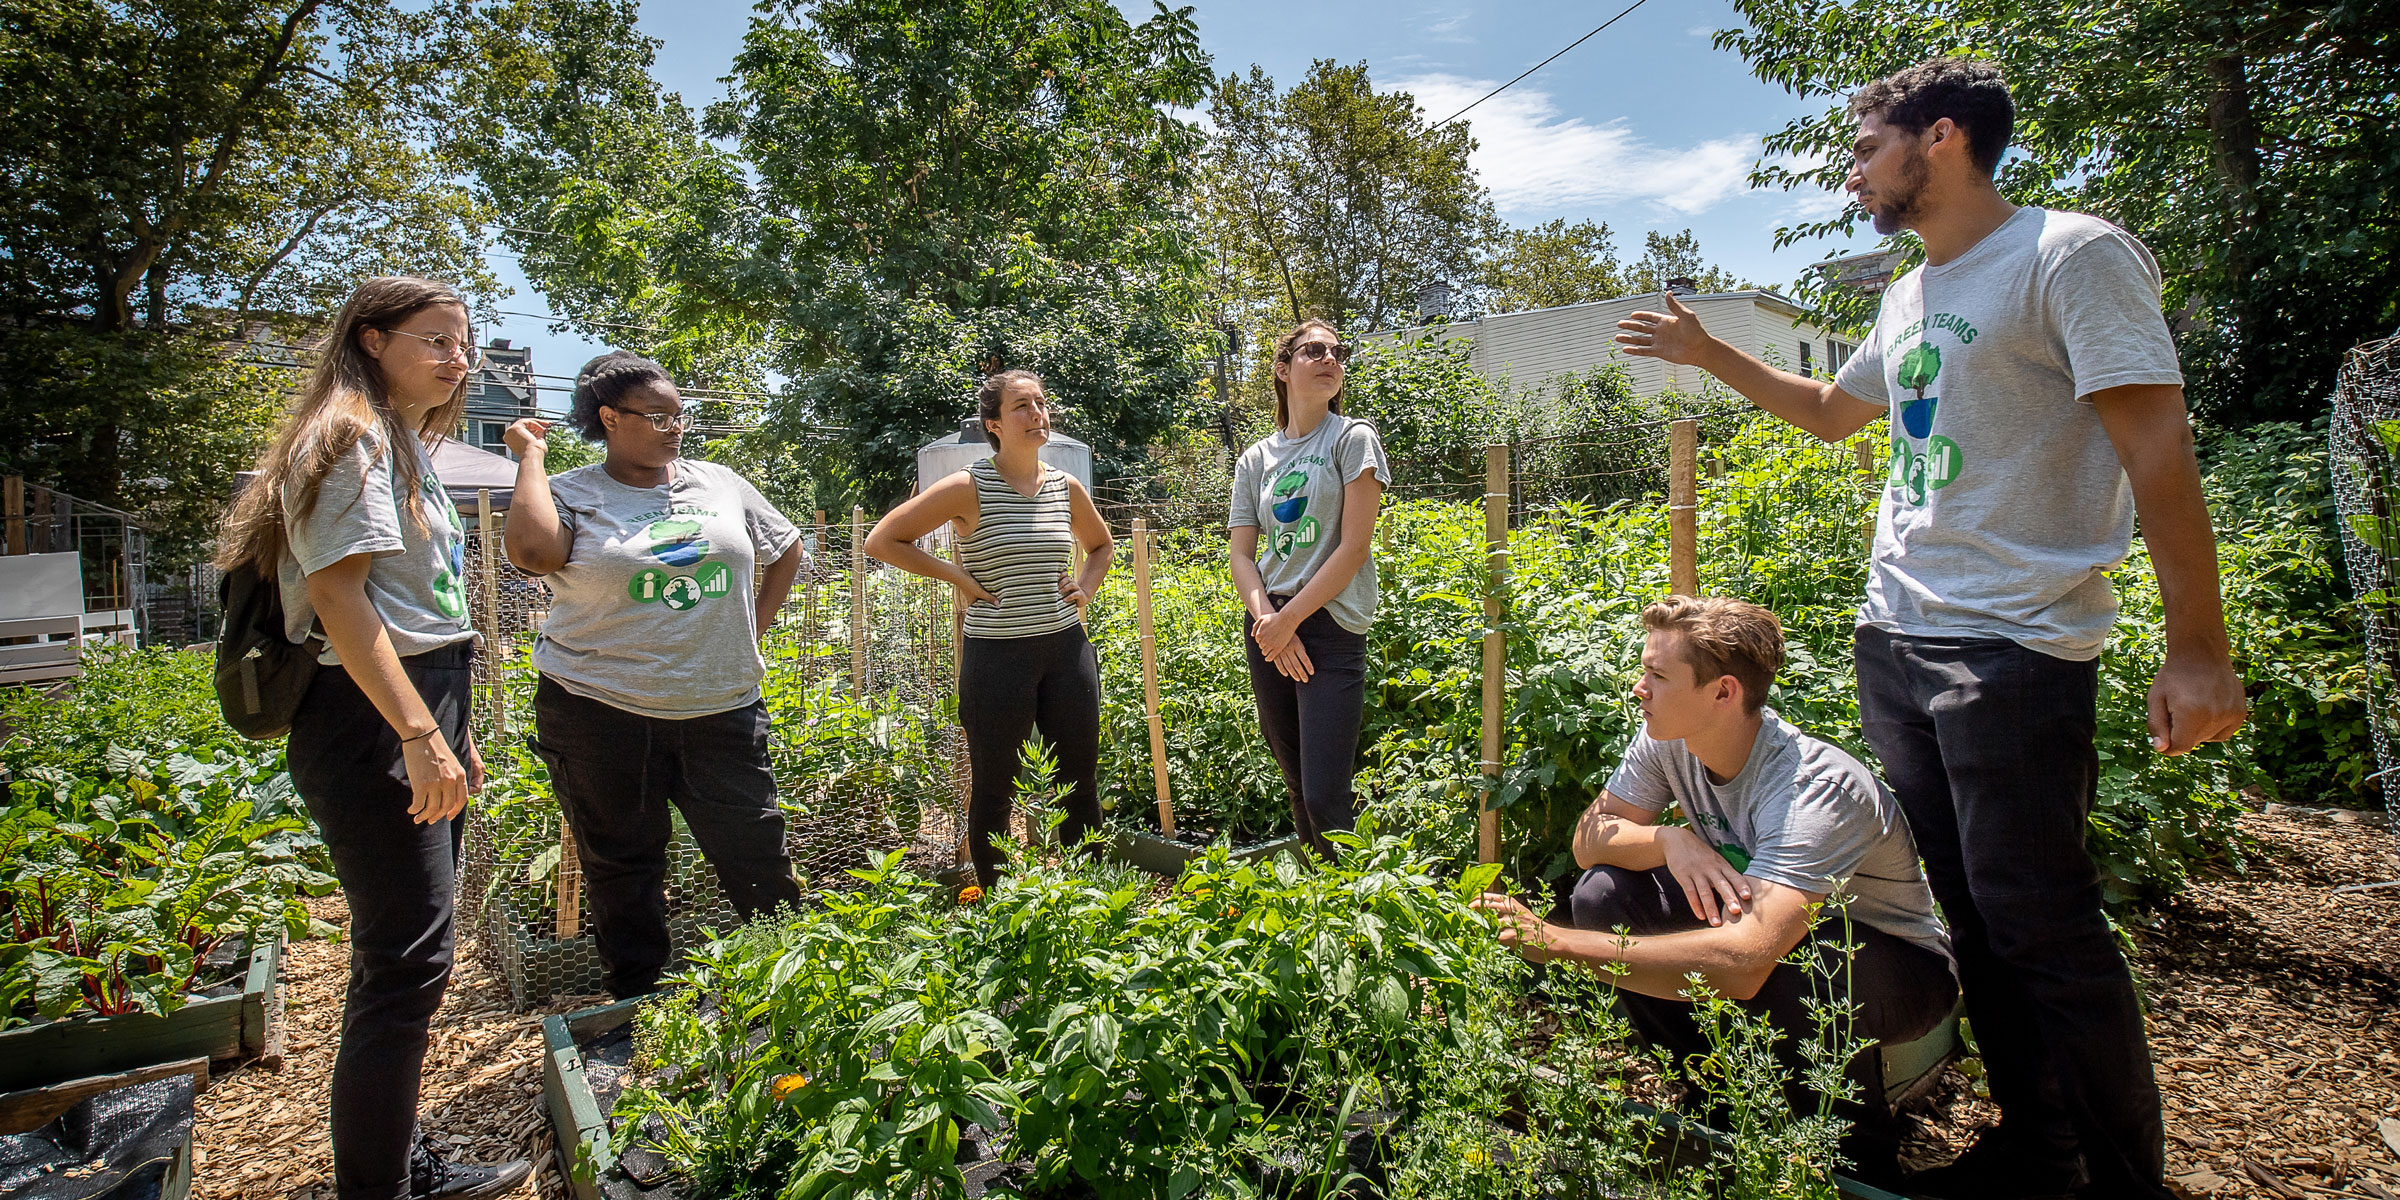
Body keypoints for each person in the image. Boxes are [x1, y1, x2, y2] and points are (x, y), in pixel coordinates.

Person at [1611, 58, 2247, 1200]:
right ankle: (2039, 1155)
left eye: (1866, 149)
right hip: (1897, 638)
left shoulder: (2069, 255)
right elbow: (1830, 413)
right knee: (1977, 918)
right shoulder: (1910, 292)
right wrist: (1709, 355)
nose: (1854, 174)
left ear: (1940, 137)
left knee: (2043, 926)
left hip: (2013, 645)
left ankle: (2119, 1181)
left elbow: (2157, 443)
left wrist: (2197, 646)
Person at [214, 277, 532, 1200]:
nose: (457, 359)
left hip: (413, 705)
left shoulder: (396, 438)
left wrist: (449, 733)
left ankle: (396, 1158)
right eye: (435, 339)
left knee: (410, 954)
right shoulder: (350, 435)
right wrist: (419, 732)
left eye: (463, 343)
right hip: (368, 716)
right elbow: (341, 599)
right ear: (370, 338)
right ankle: (379, 1186)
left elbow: (415, 606)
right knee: (406, 961)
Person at [1475, 597, 1957, 1186]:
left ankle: (1857, 1161)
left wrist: (1554, 944)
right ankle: (1717, 1102)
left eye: (1657, 676)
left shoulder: (1815, 789)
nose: (1638, 689)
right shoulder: (1669, 738)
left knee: (1804, 969)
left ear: (1724, 692)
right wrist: (1669, 839)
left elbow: (1744, 962)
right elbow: (1589, 840)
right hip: (1765, 931)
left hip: (1895, 967)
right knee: (1604, 896)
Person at [500, 352, 807, 1000]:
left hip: (720, 707)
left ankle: (796, 996)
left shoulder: (719, 483)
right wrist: (531, 457)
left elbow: (786, 547)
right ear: (610, 418)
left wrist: (752, 628)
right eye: (658, 416)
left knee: (757, 857)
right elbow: (532, 553)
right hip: (599, 711)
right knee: (622, 870)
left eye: (679, 415)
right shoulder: (573, 492)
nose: (675, 428)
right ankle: (637, 1009)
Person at [864, 370, 1115, 888]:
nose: (1037, 413)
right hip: (997, 658)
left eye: (1041, 403)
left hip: (1066, 652)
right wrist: (957, 575)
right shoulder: (967, 486)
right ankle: (999, 907)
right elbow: (882, 540)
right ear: (993, 424)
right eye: (1022, 405)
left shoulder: (1064, 486)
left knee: (1080, 783)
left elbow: (1101, 546)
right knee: (996, 788)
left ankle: (1092, 899)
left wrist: (1086, 589)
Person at [1228, 319, 1391, 856]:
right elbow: (1241, 554)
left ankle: (1354, 896)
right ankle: (1319, 894)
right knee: (1297, 781)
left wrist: (1290, 620)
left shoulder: (1352, 438)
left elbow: (1354, 548)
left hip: (1329, 624)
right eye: (1314, 350)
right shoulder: (1256, 458)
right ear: (1282, 368)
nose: (1330, 360)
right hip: (1269, 625)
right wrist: (1268, 623)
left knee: (1325, 792)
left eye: (1337, 353)